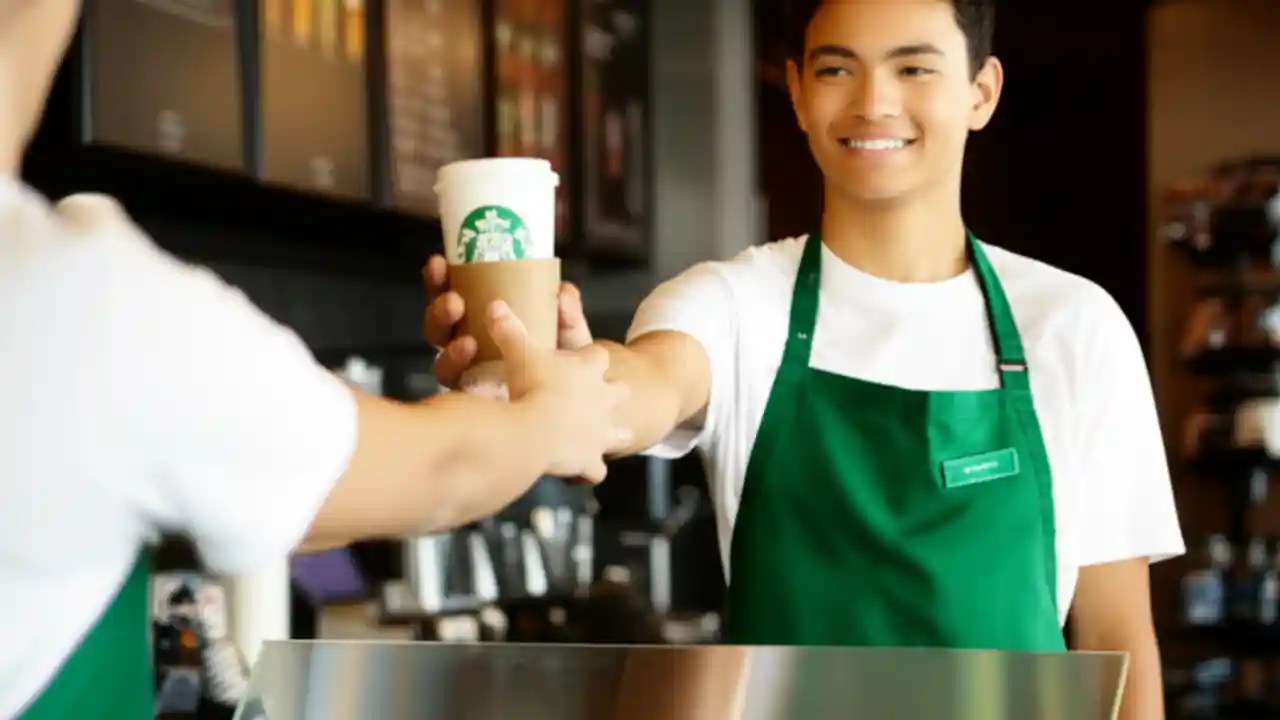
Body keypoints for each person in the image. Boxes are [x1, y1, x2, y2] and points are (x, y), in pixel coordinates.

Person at [426, 0, 1184, 716]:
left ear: (981, 92)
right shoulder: (734, 304)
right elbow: (646, 383)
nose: (874, 102)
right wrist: (560, 380)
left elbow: (1116, 638)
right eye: (836, 69)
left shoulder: (1075, 326)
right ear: (795, 92)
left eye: (913, 68)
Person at [0, 1, 628, 718]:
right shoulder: (78, 298)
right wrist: (555, 418)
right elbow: (440, 470)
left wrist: (506, 404)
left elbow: (306, 493)